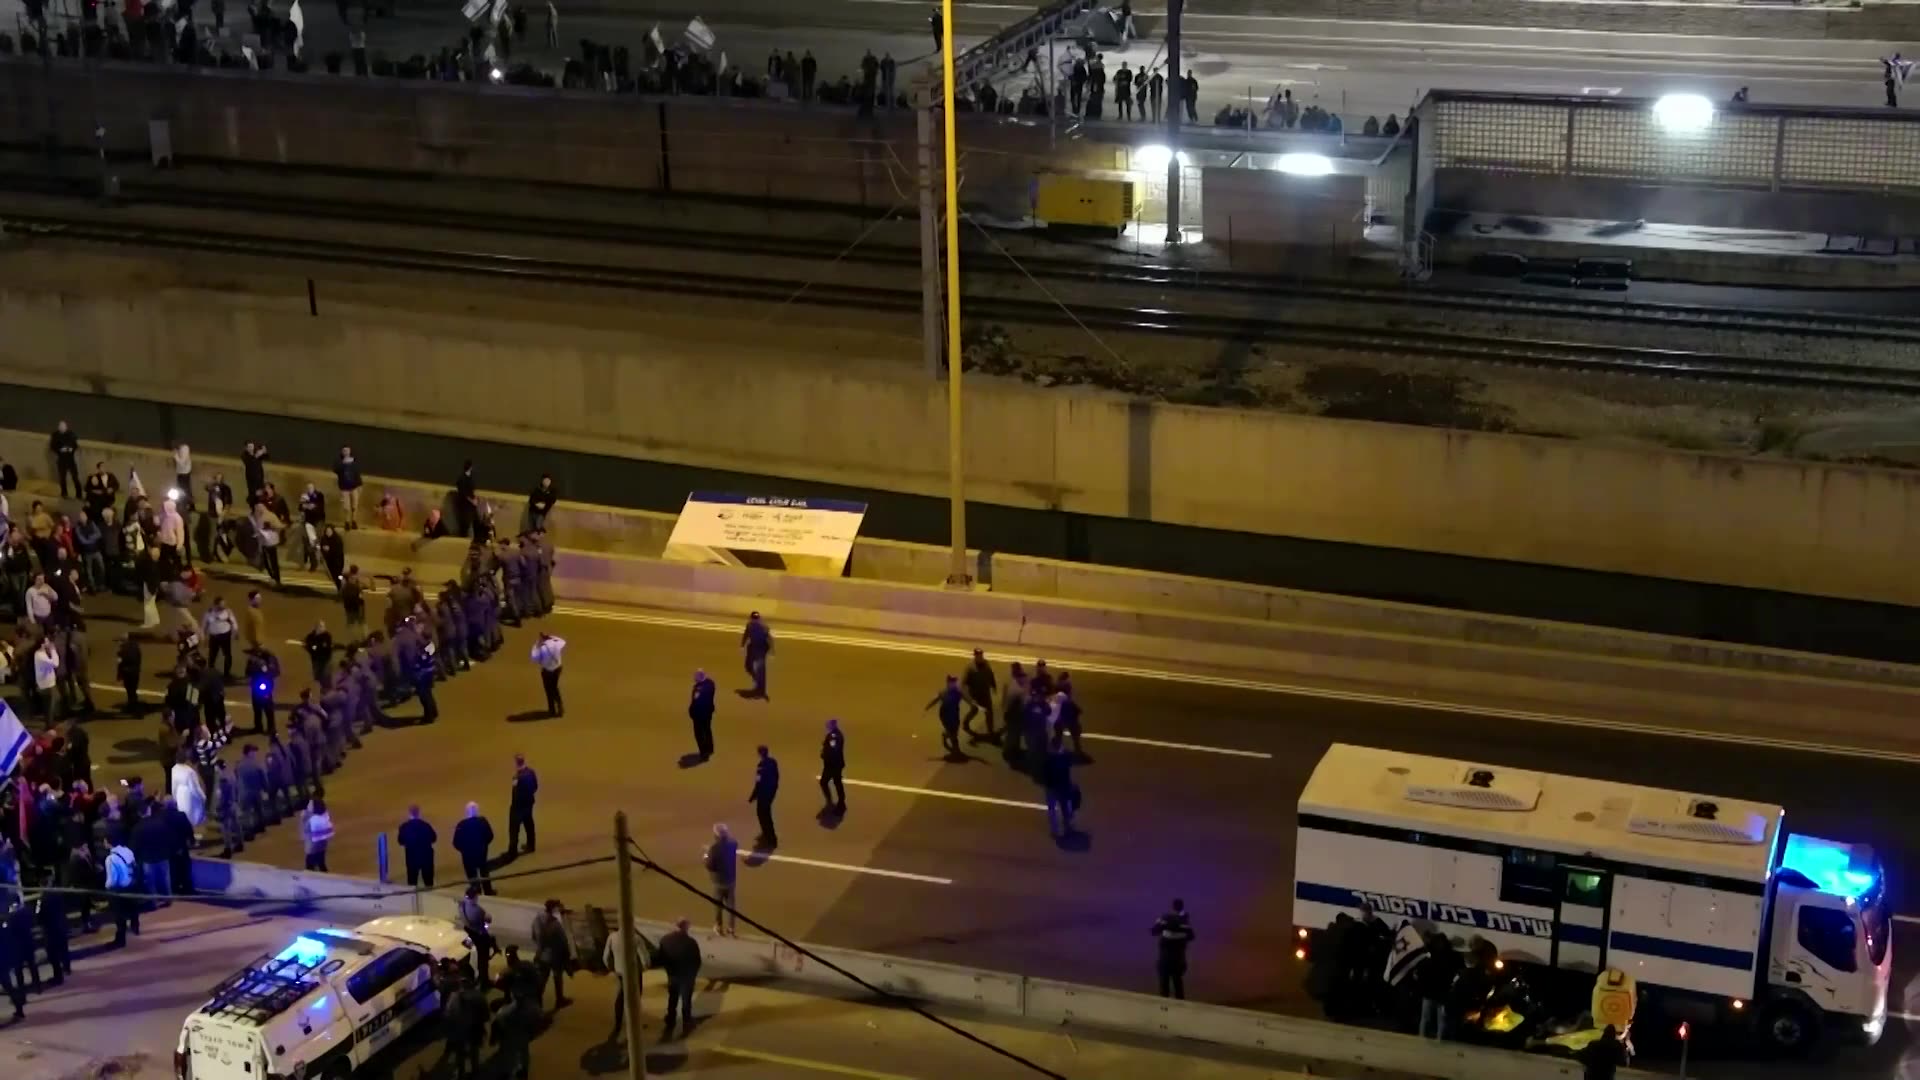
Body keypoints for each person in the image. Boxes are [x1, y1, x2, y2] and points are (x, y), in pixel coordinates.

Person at [657, 917, 702, 1040]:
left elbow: (661, 958)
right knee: (686, 1000)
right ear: (686, 928)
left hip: (672, 974)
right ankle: (687, 1021)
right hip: (686, 976)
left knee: (673, 997)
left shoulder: (665, 940)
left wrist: (669, 970)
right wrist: (692, 974)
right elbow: (697, 961)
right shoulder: (691, 942)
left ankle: (671, 1018)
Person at [531, 898, 573, 1008]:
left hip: (541, 955)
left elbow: (534, 936)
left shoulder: (537, 919)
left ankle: (537, 1006)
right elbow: (563, 941)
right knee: (557, 977)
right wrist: (567, 957)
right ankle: (559, 1000)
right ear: (553, 908)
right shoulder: (555, 924)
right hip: (555, 955)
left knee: (541, 981)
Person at [1151, 899, 1195, 999]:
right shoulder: (1185, 923)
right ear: (1182, 907)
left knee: (1164, 986)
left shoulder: (1165, 918)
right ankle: (1180, 1010)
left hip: (1165, 959)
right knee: (1178, 985)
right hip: (1178, 960)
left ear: (1172, 907)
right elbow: (1191, 937)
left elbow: (1153, 931)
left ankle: (1164, 1010)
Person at [453, 801, 496, 894]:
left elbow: (456, 842)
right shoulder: (483, 821)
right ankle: (488, 891)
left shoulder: (461, 825)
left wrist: (463, 850)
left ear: (466, 812)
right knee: (484, 872)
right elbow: (490, 836)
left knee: (471, 874)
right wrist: (484, 845)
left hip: (468, 855)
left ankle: (476, 891)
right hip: (481, 852)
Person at [105, 834, 139, 946]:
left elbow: (112, 879)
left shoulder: (110, 859)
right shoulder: (127, 851)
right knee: (133, 907)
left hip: (120, 889)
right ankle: (135, 926)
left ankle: (120, 939)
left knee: (119, 915)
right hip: (132, 884)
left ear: (109, 842)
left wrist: (107, 888)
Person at [1042, 735, 1078, 839]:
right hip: (1063, 786)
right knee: (1065, 807)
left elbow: (1046, 773)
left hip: (1052, 787)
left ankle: (1055, 831)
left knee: (1052, 810)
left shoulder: (1050, 759)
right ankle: (1067, 826)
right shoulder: (1065, 756)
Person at [705, 823, 738, 936]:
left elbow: (710, 866)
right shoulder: (733, 844)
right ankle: (731, 928)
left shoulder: (713, 849)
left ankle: (718, 927)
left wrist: (706, 855)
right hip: (731, 880)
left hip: (718, 882)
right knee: (731, 905)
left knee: (718, 905)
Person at [960, 648, 997, 742]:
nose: (980, 657)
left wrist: (993, 685)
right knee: (974, 710)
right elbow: (963, 684)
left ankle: (991, 732)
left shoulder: (986, 663)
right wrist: (970, 699)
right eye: (978, 655)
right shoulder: (970, 667)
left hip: (985, 694)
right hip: (975, 695)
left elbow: (990, 674)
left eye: (981, 655)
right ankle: (965, 723)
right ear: (975, 656)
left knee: (989, 713)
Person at [398, 804, 437, 887]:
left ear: (409, 814)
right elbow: (434, 838)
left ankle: (413, 899)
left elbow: (400, 841)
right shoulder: (426, 825)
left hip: (412, 858)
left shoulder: (404, 827)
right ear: (419, 813)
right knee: (428, 882)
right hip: (426, 858)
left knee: (412, 882)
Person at [508, 753, 539, 857]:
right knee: (529, 824)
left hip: (518, 807)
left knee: (514, 829)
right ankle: (531, 845)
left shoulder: (517, 777)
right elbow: (535, 786)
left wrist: (514, 806)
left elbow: (515, 793)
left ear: (517, 763)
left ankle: (512, 851)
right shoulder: (531, 772)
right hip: (529, 803)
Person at [749, 744, 779, 848]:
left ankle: (770, 838)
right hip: (771, 792)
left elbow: (759, 783)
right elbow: (776, 776)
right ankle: (767, 834)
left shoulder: (761, 766)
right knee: (766, 815)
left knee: (763, 815)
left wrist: (753, 796)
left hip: (764, 795)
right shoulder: (773, 761)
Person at [925, 675, 963, 757]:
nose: (953, 684)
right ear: (948, 683)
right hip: (945, 716)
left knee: (954, 733)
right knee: (953, 734)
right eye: (951, 682)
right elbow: (935, 700)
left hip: (955, 715)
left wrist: (975, 705)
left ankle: (948, 738)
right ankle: (956, 750)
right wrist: (927, 708)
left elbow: (968, 698)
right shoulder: (943, 692)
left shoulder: (958, 693)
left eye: (954, 682)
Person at [530, 632, 566, 717]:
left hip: (547, 672)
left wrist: (536, 644)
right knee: (554, 687)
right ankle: (560, 705)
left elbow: (534, 657)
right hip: (557, 669)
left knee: (548, 690)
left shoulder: (542, 648)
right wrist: (552, 637)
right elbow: (563, 641)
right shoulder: (556, 644)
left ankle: (552, 709)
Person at [202, 596, 238, 680]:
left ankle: (227, 674)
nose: (223, 606)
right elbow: (204, 626)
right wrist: (203, 637)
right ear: (216, 605)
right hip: (214, 637)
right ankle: (210, 674)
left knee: (228, 655)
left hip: (225, 636)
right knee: (212, 656)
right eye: (221, 605)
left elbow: (233, 622)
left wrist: (235, 631)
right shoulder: (209, 613)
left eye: (224, 604)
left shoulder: (228, 612)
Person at [740, 611, 772, 698]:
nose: (755, 620)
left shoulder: (764, 627)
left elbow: (769, 638)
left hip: (761, 649)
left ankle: (760, 690)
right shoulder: (749, 625)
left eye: (756, 619)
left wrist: (772, 650)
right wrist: (742, 645)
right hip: (753, 647)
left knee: (760, 669)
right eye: (754, 618)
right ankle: (757, 681)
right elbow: (746, 634)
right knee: (748, 666)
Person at [688, 668, 717, 760]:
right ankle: (710, 748)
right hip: (708, 712)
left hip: (699, 715)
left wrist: (691, 712)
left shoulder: (698, 689)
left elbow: (695, 702)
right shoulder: (711, 683)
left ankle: (704, 754)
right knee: (707, 730)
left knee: (699, 734)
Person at [301, 796, 334, 871]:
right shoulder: (324, 816)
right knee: (321, 862)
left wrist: (305, 816)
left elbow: (306, 829)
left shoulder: (311, 820)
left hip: (312, 845)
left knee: (310, 864)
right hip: (322, 843)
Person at [49, 420, 79, 498]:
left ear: (66, 427)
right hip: (61, 459)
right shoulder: (55, 435)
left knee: (75, 477)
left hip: (70, 459)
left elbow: (75, 445)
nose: (62, 428)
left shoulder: (71, 434)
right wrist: (60, 450)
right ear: (58, 427)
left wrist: (70, 449)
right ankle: (64, 493)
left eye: (63, 426)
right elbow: (52, 446)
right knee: (62, 478)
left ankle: (79, 494)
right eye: (60, 426)